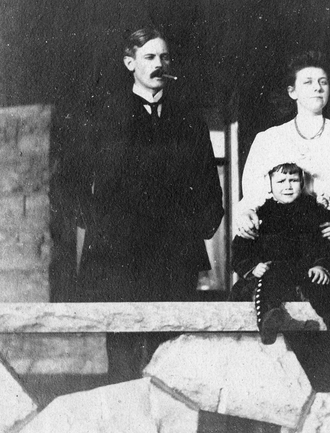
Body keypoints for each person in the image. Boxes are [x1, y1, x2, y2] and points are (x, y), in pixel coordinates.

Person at [74, 27, 224, 380]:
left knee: (171, 351)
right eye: (150, 57)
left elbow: (208, 180)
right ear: (130, 63)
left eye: (164, 57)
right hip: (120, 254)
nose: (159, 64)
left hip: (174, 253)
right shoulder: (105, 116)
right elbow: (74, 176)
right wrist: (98, 223)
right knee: (124, 353)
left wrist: (202, 224)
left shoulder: (189, 119)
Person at [235, 51, 330, 388]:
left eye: (323, 82)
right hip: (291, 241)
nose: (317, 88)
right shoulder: (270, 139)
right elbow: (253, 195)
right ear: (292, 91)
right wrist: (246, 214)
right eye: (307, 82)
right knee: (298, 338)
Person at [231, 162, 330, 349]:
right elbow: (240, 249)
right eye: (281, 181)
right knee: (269, 277)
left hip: (305, 272)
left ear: (302, 182)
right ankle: (269, 319)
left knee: (318, 284)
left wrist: (322, 266)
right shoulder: (260, 214)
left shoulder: (313, 211)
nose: (287, 186)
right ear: (269, 184)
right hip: (273, 272)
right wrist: (253, 267)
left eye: (293, 180)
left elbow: (328, 243)